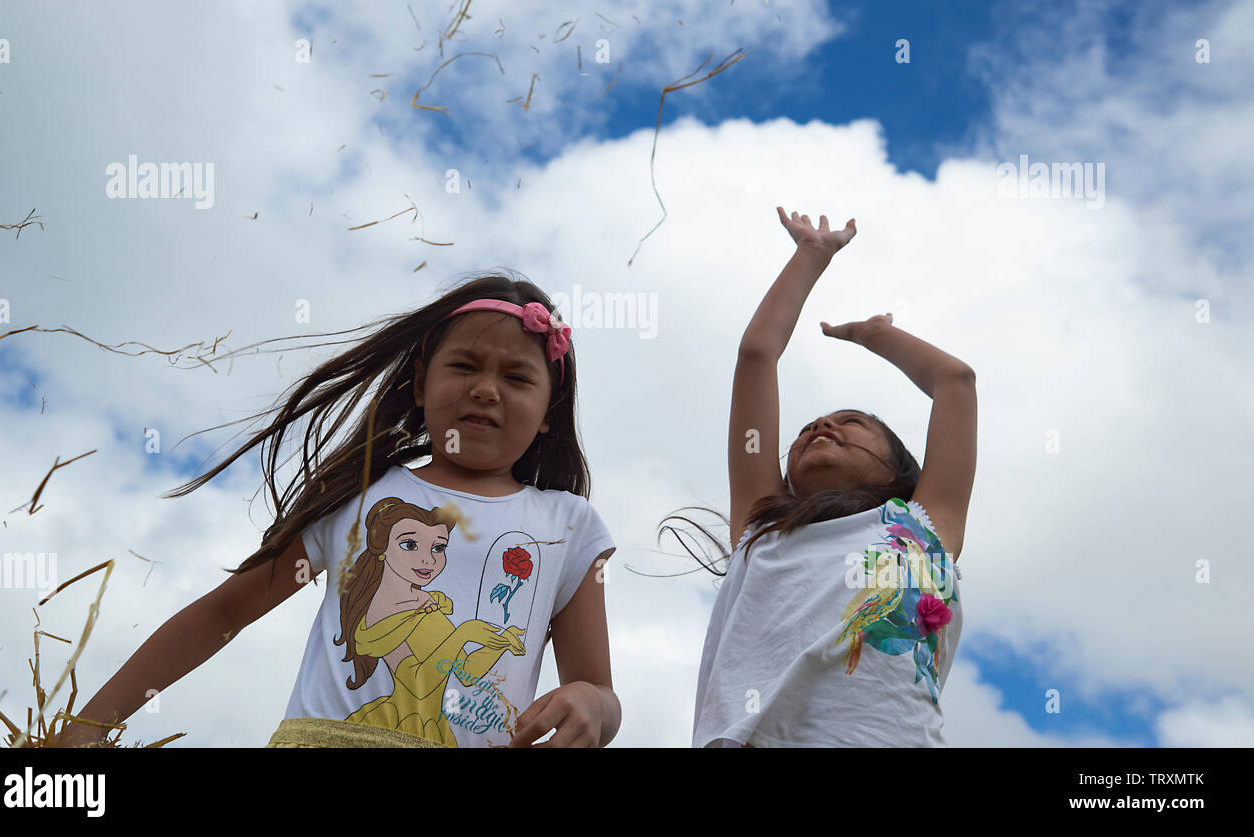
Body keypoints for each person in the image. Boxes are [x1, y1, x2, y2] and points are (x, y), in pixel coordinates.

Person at [60, 272, 619, 748]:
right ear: (422, 384)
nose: (486, 390)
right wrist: (82, 730)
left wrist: (590, 704)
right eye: (465, 366)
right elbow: (224, 613)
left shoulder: (567, 527)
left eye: (517, 377)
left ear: (550, 410)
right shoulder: (363, 493)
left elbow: (599, 688)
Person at [687, 208, 977, 747]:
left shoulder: (923, 524)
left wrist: (875, 336)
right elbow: (756, 357)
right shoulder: (762, 526)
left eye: (853, 424)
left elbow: (955, 382)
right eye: (808, 428)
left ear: (899, 468)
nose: (823, 425)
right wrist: (810, 256)